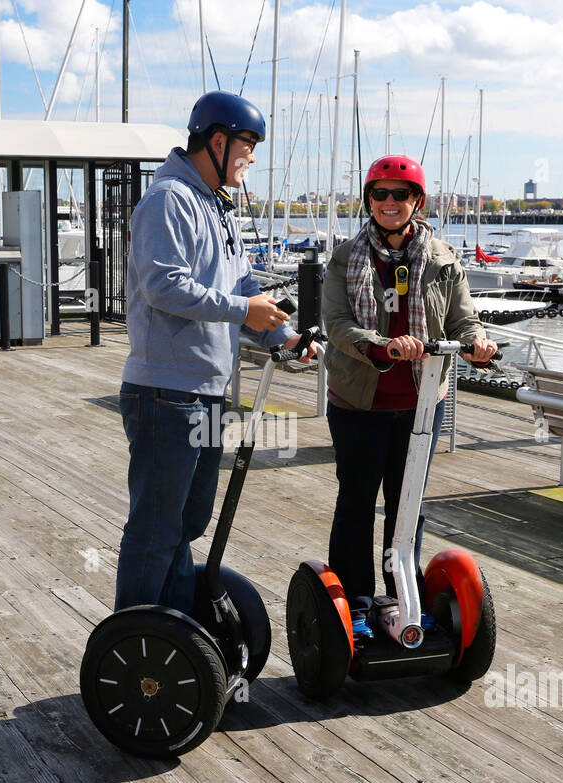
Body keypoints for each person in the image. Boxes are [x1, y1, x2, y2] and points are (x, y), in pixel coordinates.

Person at [115, 91, 308, 614]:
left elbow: (242, 283)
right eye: (247, 144)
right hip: (165, 393)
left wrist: (280, 338)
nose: (251, 156)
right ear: (217, 141)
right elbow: (163, 286)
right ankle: (133, 644)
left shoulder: (215, 206)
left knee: (186, 523)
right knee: (156, 527)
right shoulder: (168, 200)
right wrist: (245, 311)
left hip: (207, 391)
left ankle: (172, 627)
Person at [321, 154, 498, 603]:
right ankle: (356, 601)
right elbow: (337, 324)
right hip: (360, 402)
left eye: (401, 194)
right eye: (380, 194)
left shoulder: (443, 259)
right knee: (357, 503)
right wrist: (380, 345)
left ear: (417, 201)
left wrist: (477, 343)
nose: (389, 202)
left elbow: (464, 319)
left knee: (408, 506)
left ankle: (403, 593)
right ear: (369, 200)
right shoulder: (344, 259)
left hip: (422, 401)